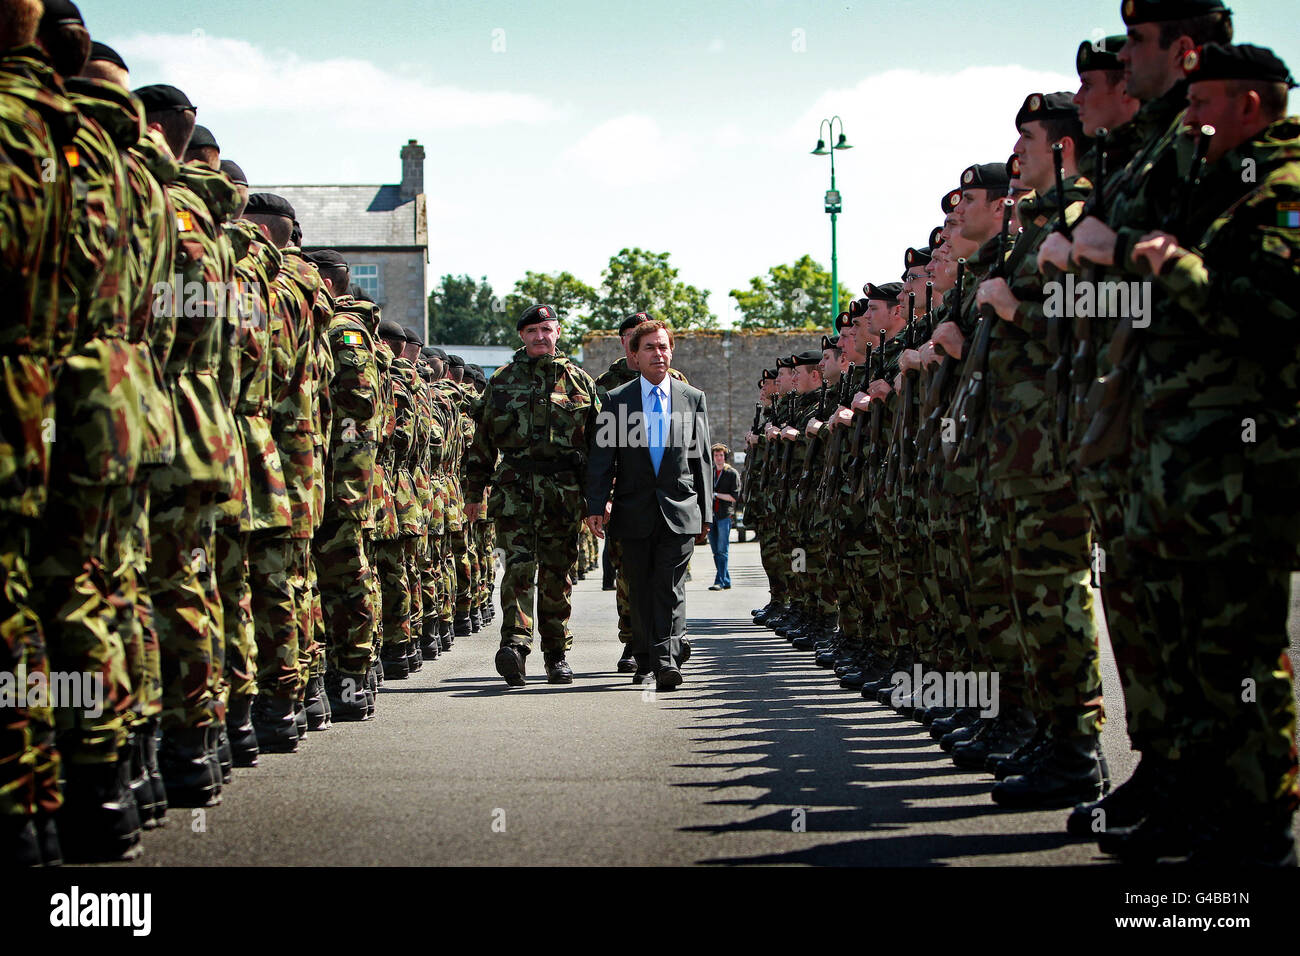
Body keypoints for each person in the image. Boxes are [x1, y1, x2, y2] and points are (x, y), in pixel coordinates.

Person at [464, 304, 599, 687]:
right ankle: (516, 647)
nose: (541, 337)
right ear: (521, 337)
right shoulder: (502, 381)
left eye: (547, 329)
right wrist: (474, 491)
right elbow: (483, 444)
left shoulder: (579, 383)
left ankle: (556, 653)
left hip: (563, 493)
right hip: (515, 491)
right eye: (532, 331)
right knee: (517, 572)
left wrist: (598, 498)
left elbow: (597, 450)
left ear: (558, 332)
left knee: (557, 574)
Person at [585, 320, 712, 691]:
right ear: (635, 356)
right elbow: (601, 459)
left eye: (664, 347)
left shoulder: (692, 398)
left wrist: (706, 513)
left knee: (670, 587)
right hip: (634, 510)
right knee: (639, 588)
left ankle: (666, 660)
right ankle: (645, 658)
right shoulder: (616, 400)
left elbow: (700, 458)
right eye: (650, 348)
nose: (659, 354)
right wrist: (596, 504)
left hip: (680, 508)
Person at [707, 444, 739, 590]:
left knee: (722, 549)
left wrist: (716, 495)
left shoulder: (731, 473)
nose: (718, 458)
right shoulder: (709, 472)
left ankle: (719, 580)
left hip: (724, 515)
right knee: (715, 550)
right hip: (711, 515)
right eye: (716, 456)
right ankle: (725, 580)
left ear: (725, 457)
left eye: (721, 456)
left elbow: (734, 497)